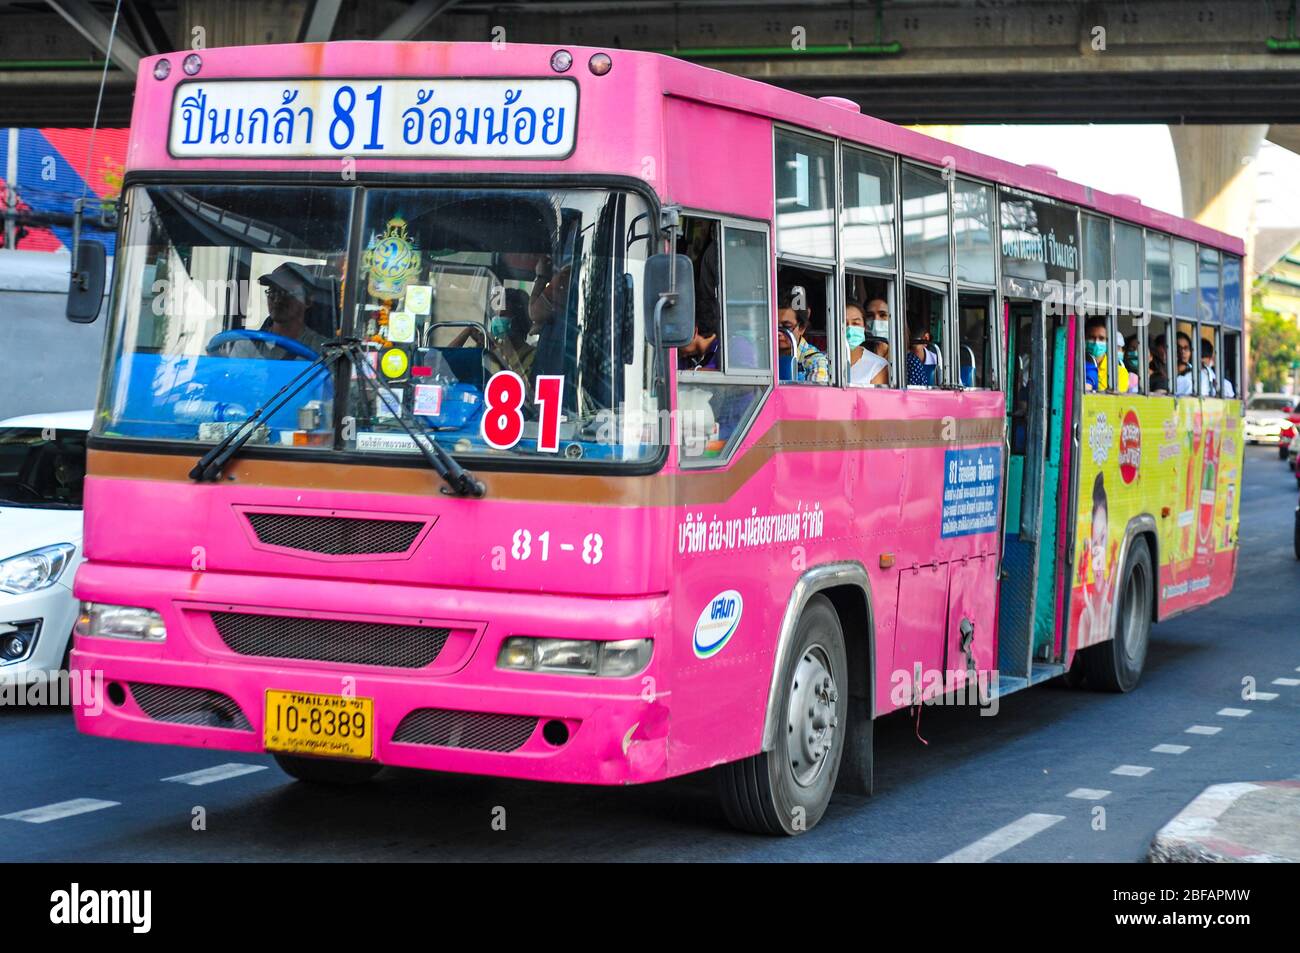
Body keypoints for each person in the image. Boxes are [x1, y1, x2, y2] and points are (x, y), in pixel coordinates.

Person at [248, 262, 331, 359]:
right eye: (272, 291)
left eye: (287, 292)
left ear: (308, 300)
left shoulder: (323, 351)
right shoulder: (249, 345)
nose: (277, 299)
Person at [1076, 471, 1117, 649]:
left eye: (1103, 539)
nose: (1098, 556)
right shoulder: (1085, 616)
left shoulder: (1111, 612)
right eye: (1094, 543)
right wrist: (1092, 615)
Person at [776, 290, 829, 383]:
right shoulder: (764, 356)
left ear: (802, 328)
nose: (778, 333)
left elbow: (813, 396)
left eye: (787, 327)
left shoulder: (815, 361)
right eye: (773, 327)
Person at [846, 301, 889, 386]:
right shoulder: (818, 360)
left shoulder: (878, 365)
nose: (849, 329)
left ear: (864, 327)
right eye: (843, 324)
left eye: (855, 323)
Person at [1083, 315, 1128, 393]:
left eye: (1101, 338)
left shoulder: (1119, 372)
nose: (1096, 342)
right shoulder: (1073, 365)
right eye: (1091, 337)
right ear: (1084, 338)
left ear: (1108, 341)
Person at [1174, 331, 1195, 396]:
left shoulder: (1194, 374)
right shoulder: (1165, 372)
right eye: (1179, 348)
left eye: (1186, 348)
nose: (1182, 352)